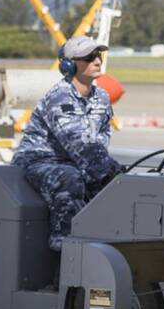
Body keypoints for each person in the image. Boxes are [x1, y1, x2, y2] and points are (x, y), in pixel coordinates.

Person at [12, 34, 123, 251]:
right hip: (40, 161)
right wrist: (107, 172)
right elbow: (79, 144)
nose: (97, 61)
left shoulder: (101, 97)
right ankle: (63, 242)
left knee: (109, 181)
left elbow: (101, 140)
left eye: (98, 55)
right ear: (69, 65)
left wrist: (112, 174)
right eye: (89, 57)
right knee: (70, 178)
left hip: (75, 162)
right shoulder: (60, 97)